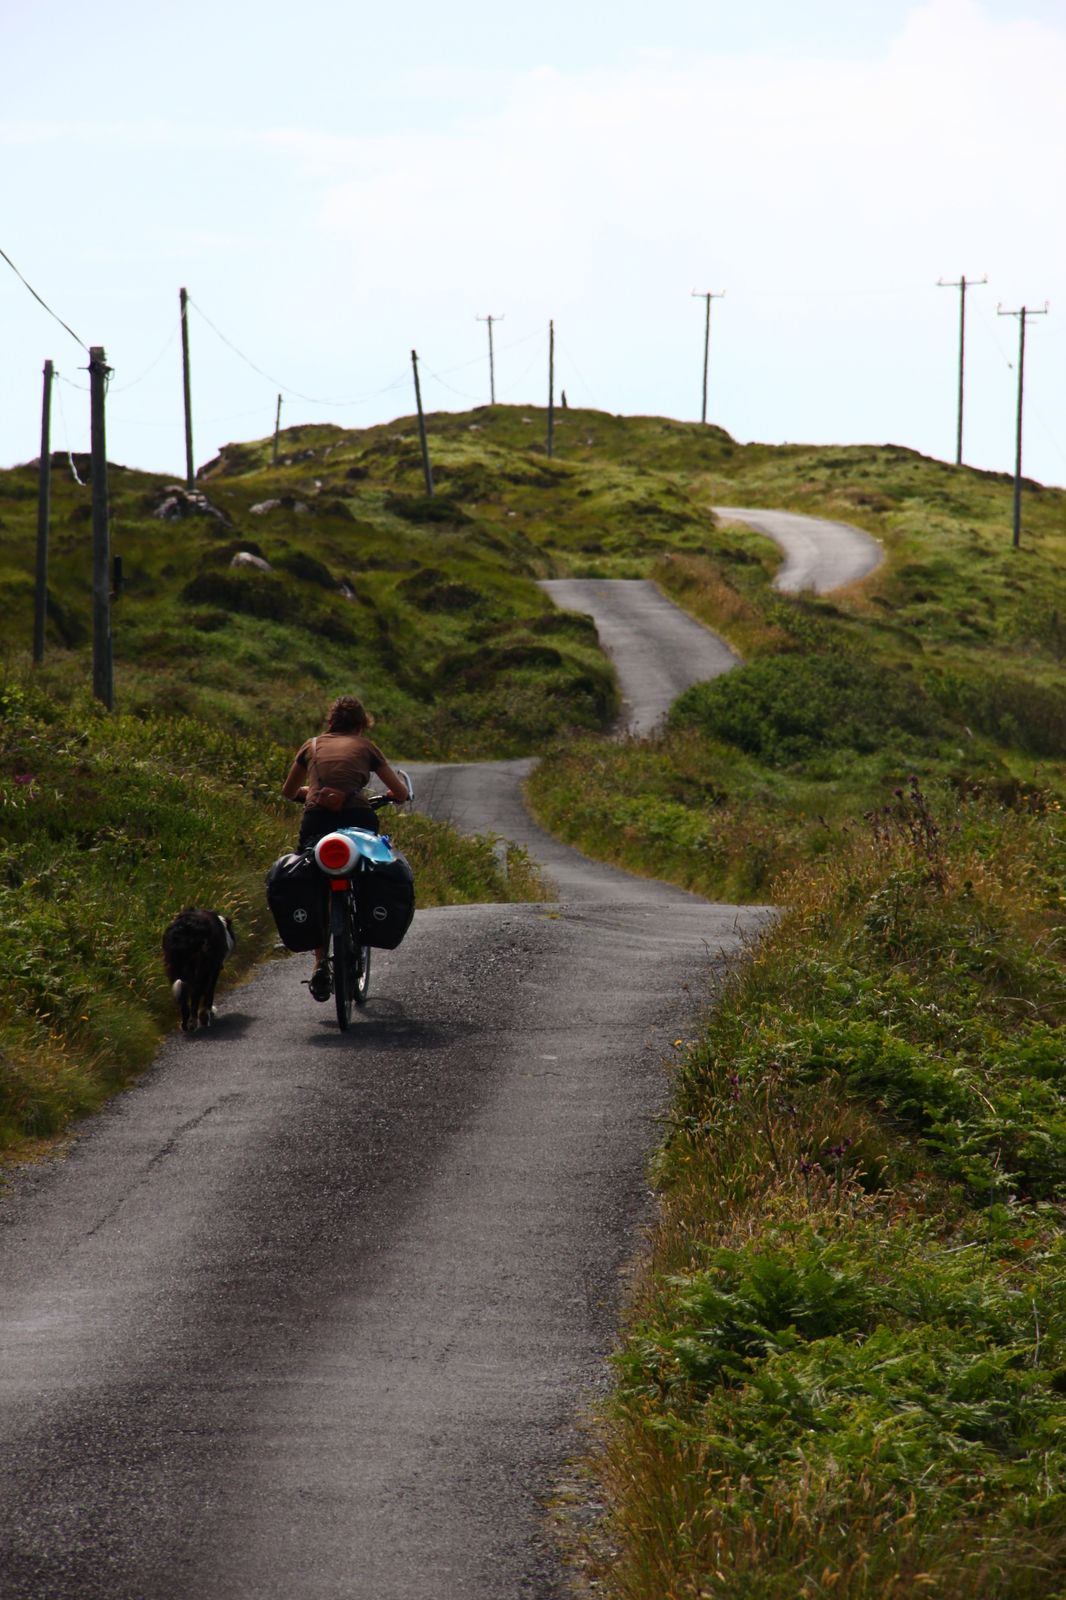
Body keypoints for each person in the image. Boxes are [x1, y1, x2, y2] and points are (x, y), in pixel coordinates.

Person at [281, 694, 409, 1000]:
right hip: (358, 817)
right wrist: (389, 796)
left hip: (317, 820)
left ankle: (319, 963)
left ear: (330, 722)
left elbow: (288, 791)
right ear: (362, 725)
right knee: (366, 873)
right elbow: (400, 792)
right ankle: (364, 920)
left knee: (313, 881)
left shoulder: (310, 746)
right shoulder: (366, 747)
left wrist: (313, 794)